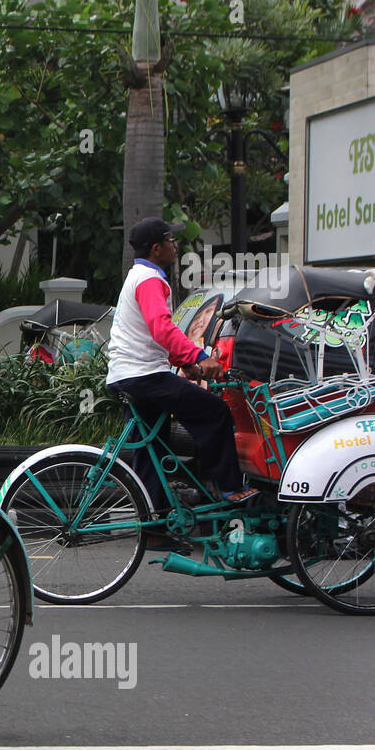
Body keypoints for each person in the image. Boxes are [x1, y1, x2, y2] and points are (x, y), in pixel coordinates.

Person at [106, 218, 256, 550]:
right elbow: (162, 330)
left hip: (127, 374)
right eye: (171, 241)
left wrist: (187, 364)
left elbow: (152, 336)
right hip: (143, 375)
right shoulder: (149, 279)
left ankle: (155, 530)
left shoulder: (138, 276)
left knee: (151, 450)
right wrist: (198, 357)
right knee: (215, 411)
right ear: (157, 248)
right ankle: (228, 486)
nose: (176, 247)